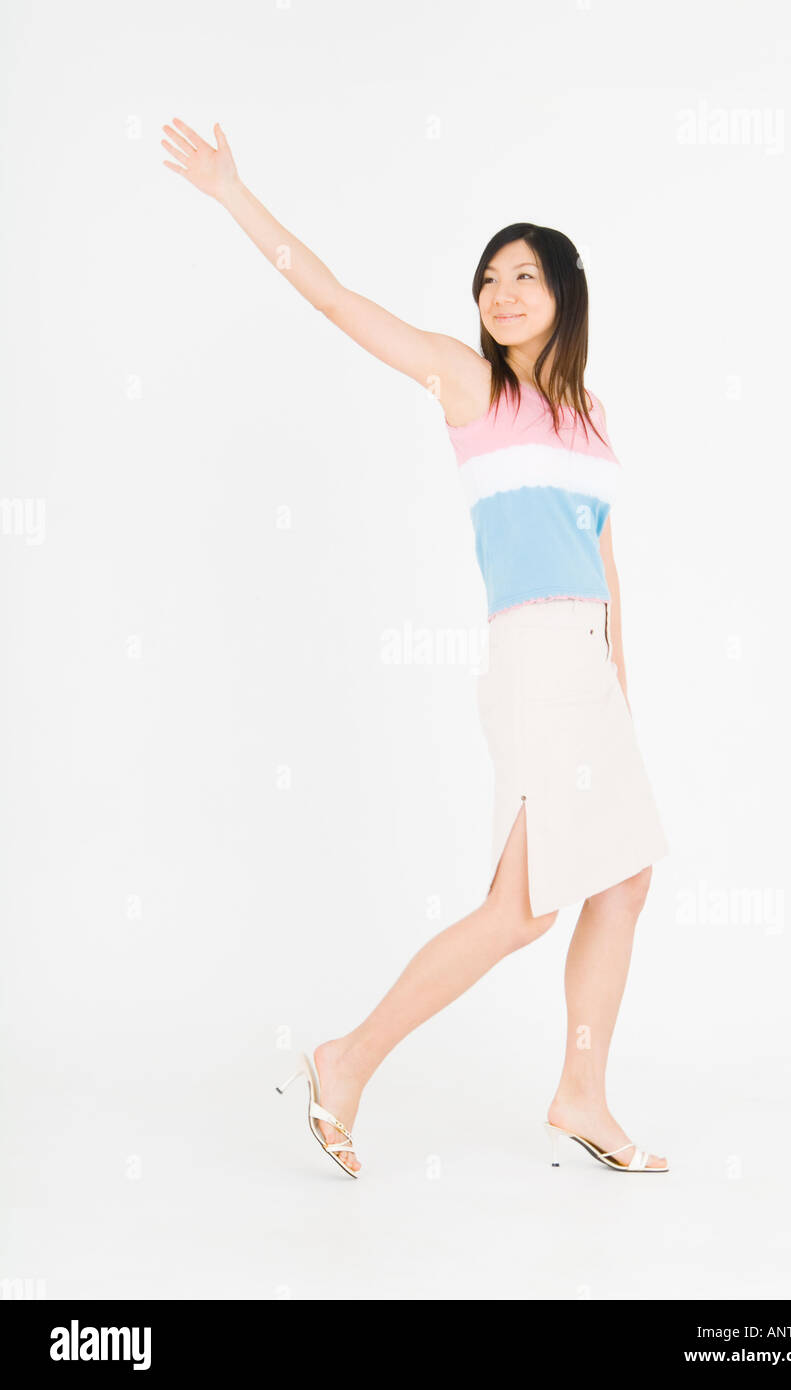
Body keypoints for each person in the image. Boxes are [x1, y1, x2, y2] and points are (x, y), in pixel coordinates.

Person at [162, 117, 671, 1177]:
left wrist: (621, 684)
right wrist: (232, 193)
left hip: (589, 671)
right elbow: (341, 302)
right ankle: (346, 1060)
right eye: (488, 279)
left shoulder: (589, 414)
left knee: (621, 878)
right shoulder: (464, 381)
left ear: (563, 293)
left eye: (523, 276)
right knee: (521, 910)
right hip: (532, 662)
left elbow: (604, 561)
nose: (500, 293)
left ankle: (579, 1089)